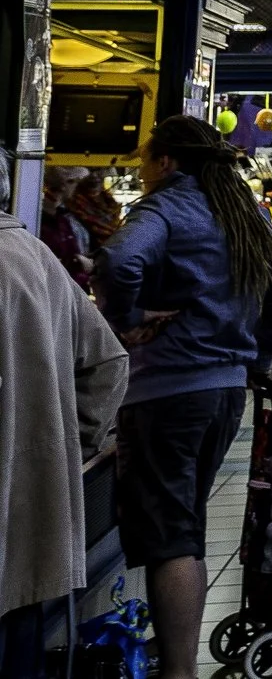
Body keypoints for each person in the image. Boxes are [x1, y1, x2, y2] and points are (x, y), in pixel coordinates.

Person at [95, 116, 272, 679]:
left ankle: (178, 673)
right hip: (223, 394)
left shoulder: (163, 208)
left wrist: (127, 318)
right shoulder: (239, 211)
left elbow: (120, 262)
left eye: (145, 160)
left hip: (166, 391)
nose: (142, 172)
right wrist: (256, 359)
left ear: (165, 161)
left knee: (171, 535)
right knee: (183, 522)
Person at [1, 177, 128, 675]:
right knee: (23, 631)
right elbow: (109, 362)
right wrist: (64, 444)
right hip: (36, 497)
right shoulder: (35, 255)